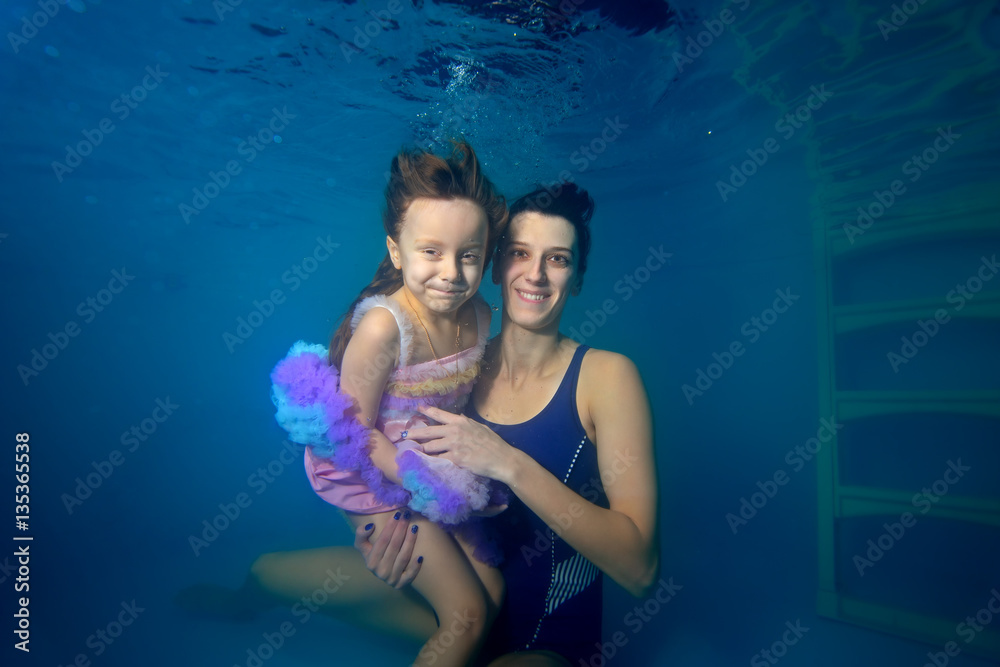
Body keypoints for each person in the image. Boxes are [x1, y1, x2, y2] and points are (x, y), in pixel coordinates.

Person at [176, 182, 659, 666]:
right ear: (495, 265)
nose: (535, 274)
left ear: (577, 277)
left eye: (558, 259)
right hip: (449, 596)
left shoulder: (607, 377)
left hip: (548, 632)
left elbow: (640, 571)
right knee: (267, 575)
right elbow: (365, 440)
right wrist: (385, 526)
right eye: (519, 253)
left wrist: (510, 464)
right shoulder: (461, 361)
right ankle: (242, 602)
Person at [268, 139, 509, 667]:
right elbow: (352, 436)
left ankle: (318, 589)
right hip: (368, 470)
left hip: (427, 465)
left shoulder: (482, 315)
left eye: (469, 255)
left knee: (493, 595)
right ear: (397, 251)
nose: (452, 273)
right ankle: (269, 581)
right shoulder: (384, 328)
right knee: (467, 615)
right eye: (431, 252)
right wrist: (433, 485)